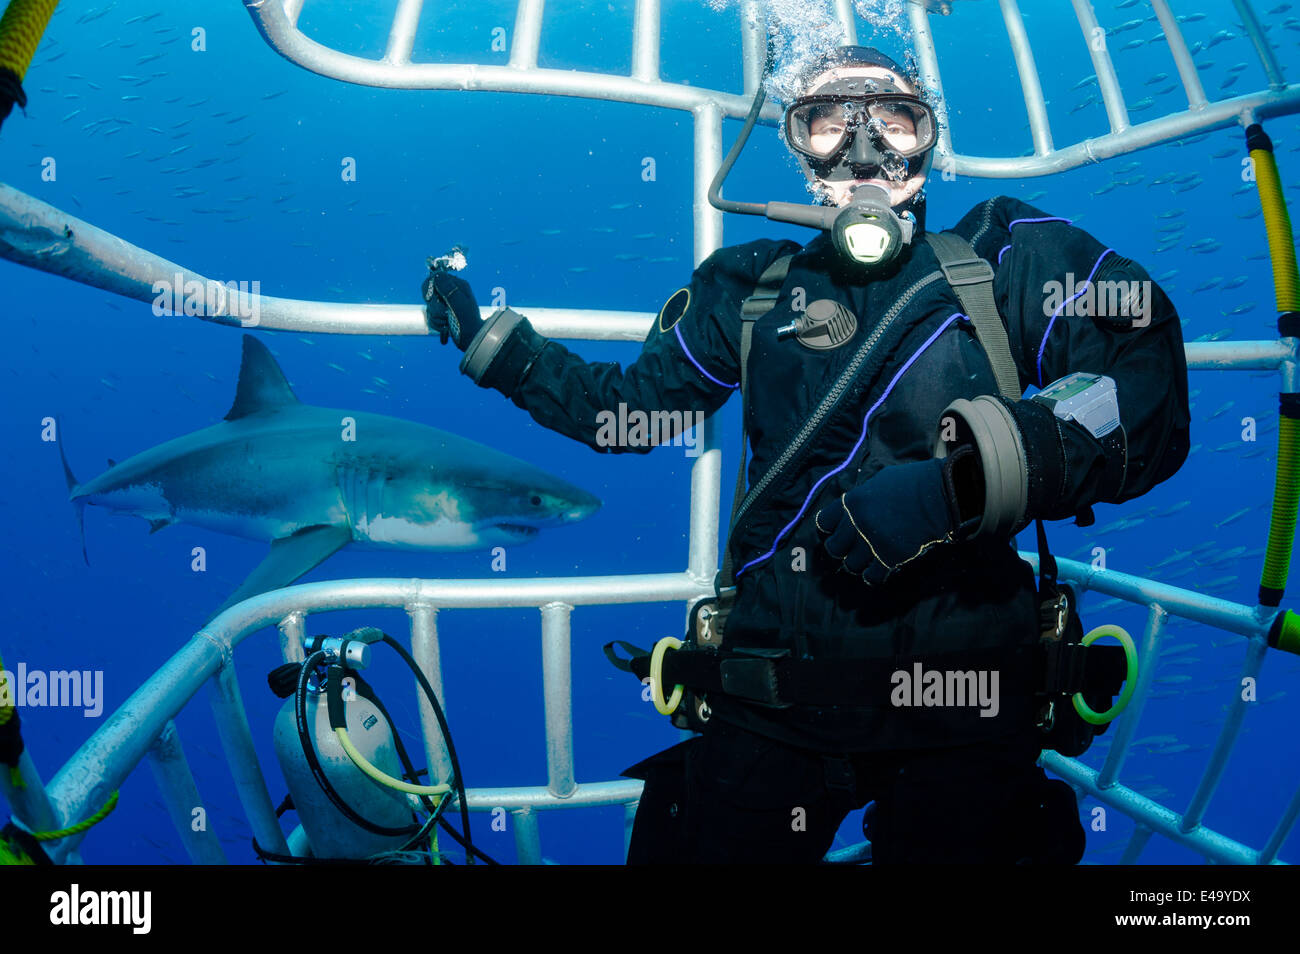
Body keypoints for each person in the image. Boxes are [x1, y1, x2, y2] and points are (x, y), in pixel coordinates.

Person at [422, 45, 1190, 864]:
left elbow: (1143, 385)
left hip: (965, 699)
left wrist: (964, 485)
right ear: (798, 148)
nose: (865, 154)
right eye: (828, 124)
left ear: (930, 139)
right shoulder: (748, 288)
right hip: (770, 701)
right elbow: (632, 417)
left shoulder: (1007, 257)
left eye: (895, 121)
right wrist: (499, 349)